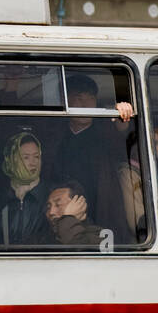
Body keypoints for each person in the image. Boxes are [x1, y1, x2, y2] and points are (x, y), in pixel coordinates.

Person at [54, 74, 135, 243]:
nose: (86, 104)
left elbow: (124, 149)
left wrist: (123, 121)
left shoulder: (106, 131)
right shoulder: (54, 134)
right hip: (62, 216)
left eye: (91, 98)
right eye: (78, 98)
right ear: (65, 100)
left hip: (103, 218)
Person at [0, 131, 54, 246]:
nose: (33, 163)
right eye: (26, 158)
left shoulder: (51, 195)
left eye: (36, 156)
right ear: (12, 160)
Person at [45, 181, 105, 246]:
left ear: (79, 205)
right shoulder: (42, 238)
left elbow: (78, 250)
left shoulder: (98, 234)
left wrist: (68, 219)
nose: (51, 212)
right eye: (48, 207)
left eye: (58, 205)